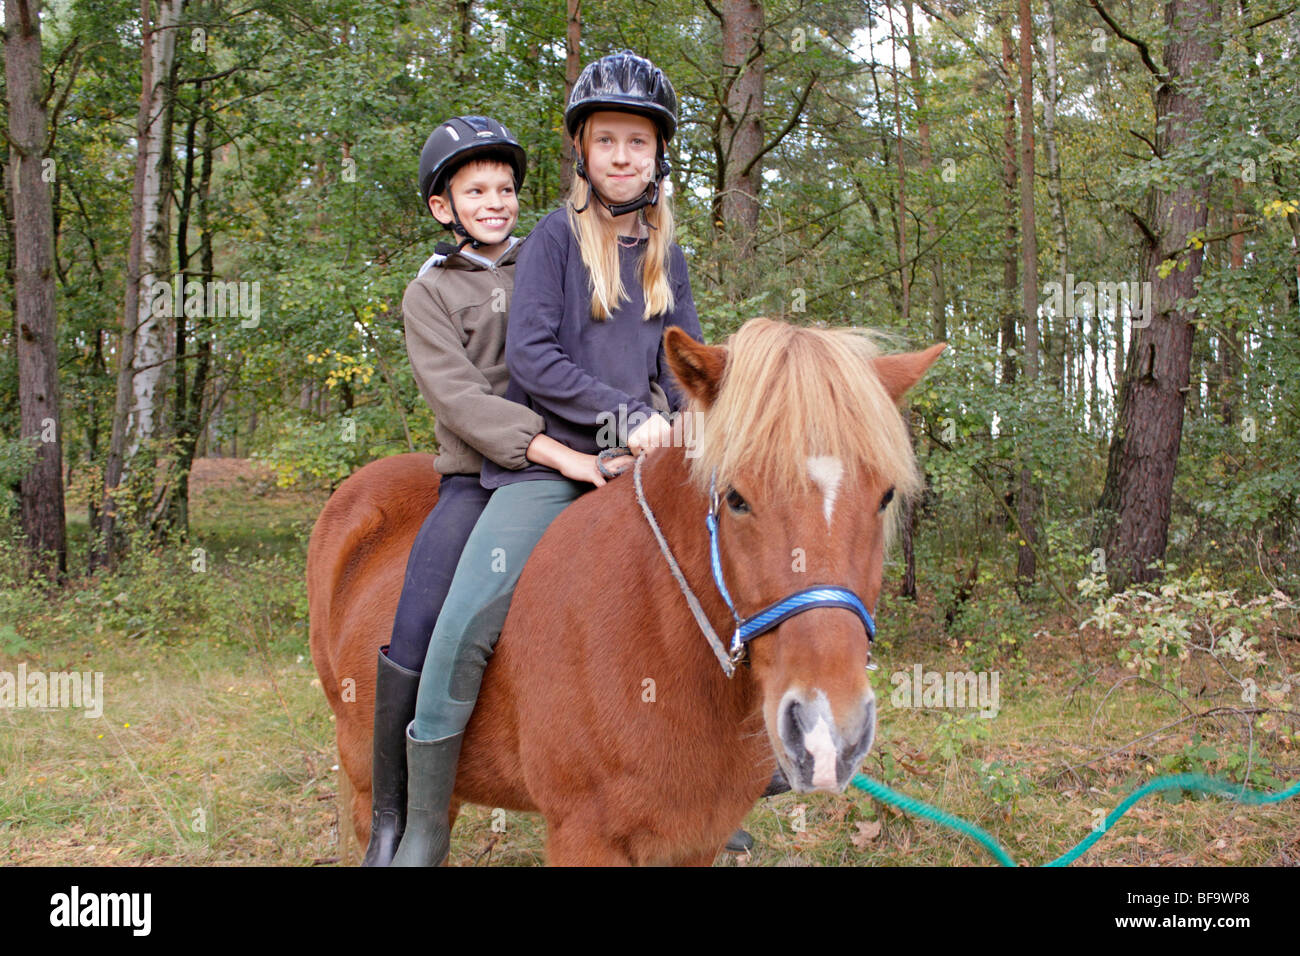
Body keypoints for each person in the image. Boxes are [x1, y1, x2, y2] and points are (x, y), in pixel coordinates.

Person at [391, 50, 700, 867]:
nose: (624, 156)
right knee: (465, 616)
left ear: (658, 154)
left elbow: (683, 355)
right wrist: (623, 420)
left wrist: (677, 416)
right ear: (583, 152)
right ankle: (424, 817)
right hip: (556, 454)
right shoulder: (557, 240)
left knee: (735, 571)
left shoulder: (667, 247)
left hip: (648, 453)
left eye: (638, 141)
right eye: (607, 141)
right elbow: (532, 359)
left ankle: (725, 772)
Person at [364, 115, 621, 867]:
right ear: (444, 206)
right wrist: (555, 455)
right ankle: (400, 817)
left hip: (589, 452)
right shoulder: (431, 294)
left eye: (506, 187)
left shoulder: (553, 256)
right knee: (425, 622)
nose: (496, 201)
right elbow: (463, 404)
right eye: (476, 189)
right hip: (483, 476)